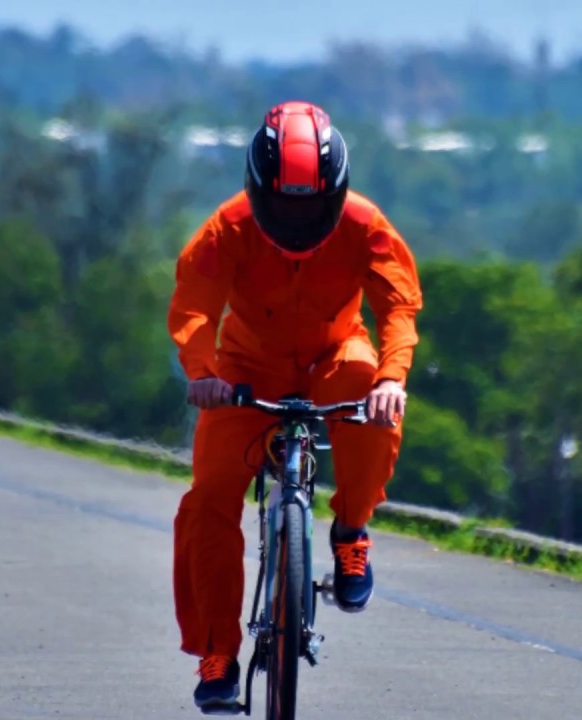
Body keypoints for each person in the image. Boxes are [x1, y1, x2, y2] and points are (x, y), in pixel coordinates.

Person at [167, 100, 423, 713]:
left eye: (312, 206)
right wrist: (203, 374)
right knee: (208, 503)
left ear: (338, 192)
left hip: (337, 355)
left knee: (373, 398)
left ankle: (351, 527)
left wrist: (392, 378)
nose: (298, 219)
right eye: (283, 205)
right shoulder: (225, 228)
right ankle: (217, 653)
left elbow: (398, 308)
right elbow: (194, 309)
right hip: (243, 373)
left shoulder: (366, 225)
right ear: (257, 189)